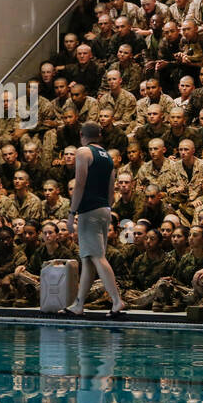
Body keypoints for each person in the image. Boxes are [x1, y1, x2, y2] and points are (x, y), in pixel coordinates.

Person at [66, 121, 126, 317]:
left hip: (88, 211)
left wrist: (72, 213)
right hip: (103, 210)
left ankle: (117, 301)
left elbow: (80, 184)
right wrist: (106, 210)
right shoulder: (108, 157)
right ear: (99, 136)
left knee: (98, 257)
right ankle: (79, 304)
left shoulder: (83, 152)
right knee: (89, 260)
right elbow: (111, 192)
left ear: (82, 135)